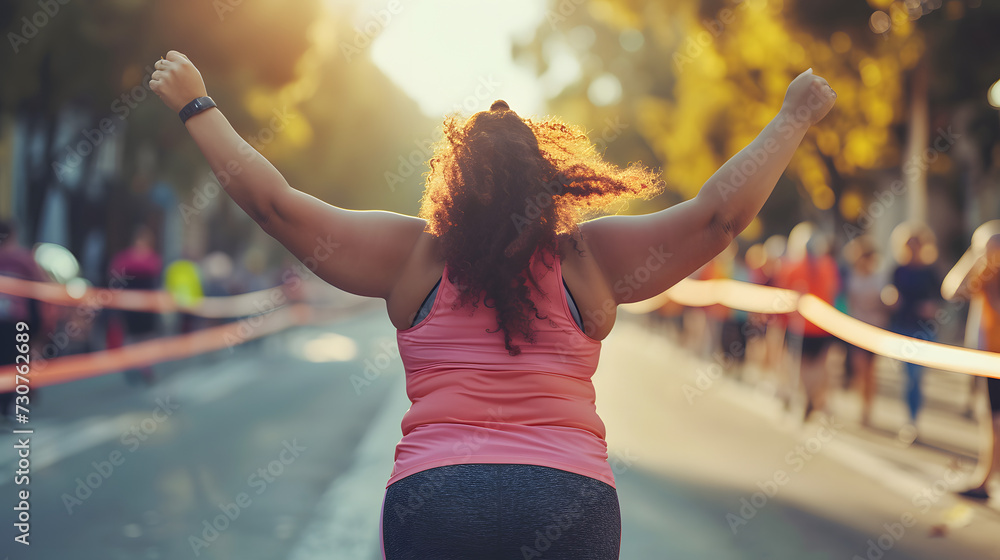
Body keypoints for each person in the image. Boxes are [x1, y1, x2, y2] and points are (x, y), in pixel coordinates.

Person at [150, 50, 836, 558]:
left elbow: (276, 207)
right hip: (570, 500)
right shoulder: (588, 259)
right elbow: (719, 217)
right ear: (547, 180)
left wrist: (197, 105)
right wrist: (793, 116)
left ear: (452, 181)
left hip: (437, 498)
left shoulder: (412, 256)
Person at [943, 223, 1000, 501]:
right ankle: (985, 477)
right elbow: (951, 290)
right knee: (989, 418)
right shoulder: (983, 276)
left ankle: (985, 478)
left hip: (995, 358)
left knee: (995, 421)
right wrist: (974, 255)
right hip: (986, 356)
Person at [776, 223, 841, 422]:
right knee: (818, 365)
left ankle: (808, 396)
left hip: (802, 325)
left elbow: (785, 296)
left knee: (802, 365)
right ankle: (812, 396)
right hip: (822, 325)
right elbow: (834, 293)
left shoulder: (792, 267)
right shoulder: (828, 266)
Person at [886, 222, 941, 444]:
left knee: (916, 377)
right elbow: (891, 294)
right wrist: (890, 299)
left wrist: (932, 308)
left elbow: (941, 299)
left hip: (924, 329)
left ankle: (913, 420)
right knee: (909, 377)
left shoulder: (930, 271)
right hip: (902, 327)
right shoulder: (897, 270)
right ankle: (910, 420)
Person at [0, 220, 51, 421]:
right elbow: (42, 283)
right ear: (13, 235)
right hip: (16, 319)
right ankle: (5, 407)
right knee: (14, 362)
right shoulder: (22, 257)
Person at [843, 235, 890, 427]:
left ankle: (868, 408)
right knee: (860, 370)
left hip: (875, 328)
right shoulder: (851, 277)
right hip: (856, 329)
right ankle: (862, 406)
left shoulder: (880, 278)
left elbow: (884, 302)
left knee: (871, 372)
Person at [108, 224, 163, 385]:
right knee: (133, 337)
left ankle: (144, 368)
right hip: (131, 305)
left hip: (146, 306)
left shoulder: (150, 259)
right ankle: (134, 367)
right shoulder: (127, 258)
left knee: (145, 338)